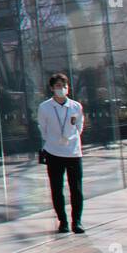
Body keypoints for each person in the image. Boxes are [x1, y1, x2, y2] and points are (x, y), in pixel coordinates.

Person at [39, 72, 85, 233]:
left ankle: (77, 221)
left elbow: (79, 126)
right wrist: (52, 141)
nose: (62, 89)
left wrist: (70, 138)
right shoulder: (45, 107)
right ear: (52, 88)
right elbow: (42, 129)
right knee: (57, 189)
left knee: (76, 189)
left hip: (73, 152)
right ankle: (63, 221)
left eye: (64, 86)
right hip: (53, 152)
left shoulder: (75, 106)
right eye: (58, 86)